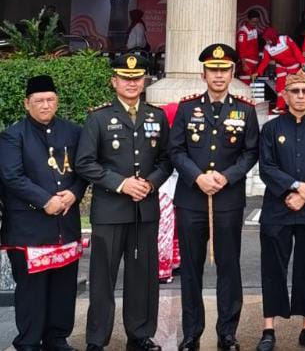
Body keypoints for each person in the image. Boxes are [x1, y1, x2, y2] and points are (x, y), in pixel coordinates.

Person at [75, 53, 172, 351]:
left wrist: (151, 182)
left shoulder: (156, 116)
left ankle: (140, 334)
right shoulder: (99, 118)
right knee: (103, 278)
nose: (132, 83)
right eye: (125, 78)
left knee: (143, 276)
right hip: (110, 211)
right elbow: (85, 163)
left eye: (137, 78)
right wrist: (121, 183)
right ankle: (96, 339)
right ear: (114, 81)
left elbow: (166, 160)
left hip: (144, 209)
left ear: (144, 81)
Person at [169, 44, 260, 351]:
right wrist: (197, 176)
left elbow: (251, 152)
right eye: (213, 70)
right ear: (203, 74)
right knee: (192, 268)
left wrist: (227, 176)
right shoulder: (186, 108)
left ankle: (227, 333)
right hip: (192, 199)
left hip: (228, 200)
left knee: (228, 267)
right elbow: (176, 150)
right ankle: (191, 332)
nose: (219, 75)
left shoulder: (245, 110)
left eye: (224, 70)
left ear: (233, 73)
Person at [0, 75, 87, 351]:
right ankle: (28, 341)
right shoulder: (13, 135)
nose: (45, 105)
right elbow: (11, 176)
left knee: (63, 286)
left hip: (65, 224)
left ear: (57, 101)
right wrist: (45, 200)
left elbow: (85, 168)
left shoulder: (73, 132)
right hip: (29, 227)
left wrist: (74, 192)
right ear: (27, 104)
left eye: (50, 99)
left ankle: (57, 337)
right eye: (38, 101)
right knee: (32, 290)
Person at [255, 69, 305, 351]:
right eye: (294, 91)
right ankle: (268, 328)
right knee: (273, 267)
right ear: (285, 95)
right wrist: (294, 188)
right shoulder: (271, 128)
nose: (300, 96)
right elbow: (266, 167)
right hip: (278, 207)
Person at [255, 26, 305, 112]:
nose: (267, 41)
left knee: (294, 85)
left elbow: (296, 50)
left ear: (273, 37)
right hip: (281, 66)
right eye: (266, 39)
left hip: (293, 65)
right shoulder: (267, 48)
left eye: (268, 39)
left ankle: (296, 105)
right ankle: (280, 106)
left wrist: (303, 62)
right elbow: (265, 61)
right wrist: (258, 71)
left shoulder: (285, 39)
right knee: (280, 86)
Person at [158, 103, 180, 283]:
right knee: (164, 227)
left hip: (178, 183)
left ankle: (175, 262)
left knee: (176, 228)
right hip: (164, 185)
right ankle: (162, 268)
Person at [236, 9, 262, 79]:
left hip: (254, 62)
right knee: (246, 83)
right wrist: (244, 64)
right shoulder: (243, 32)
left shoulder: (255, 30)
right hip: (247, 63)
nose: (255, 24)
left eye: (257, 22)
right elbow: (241, 49)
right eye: (253, 22)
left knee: (252, 85)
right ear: (248, 19)